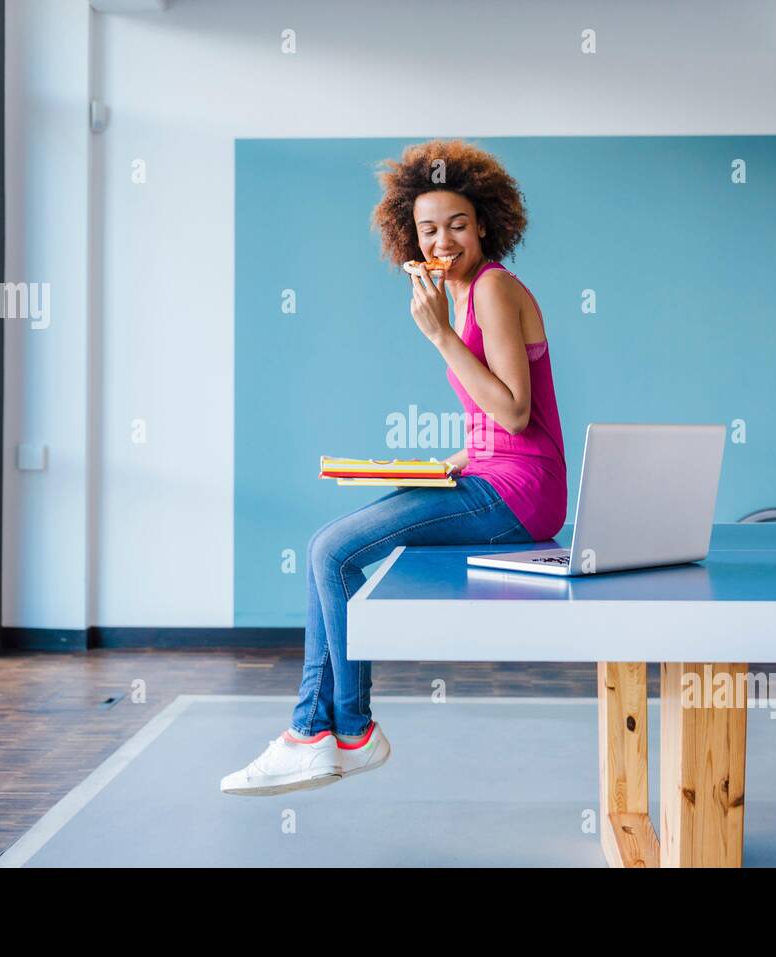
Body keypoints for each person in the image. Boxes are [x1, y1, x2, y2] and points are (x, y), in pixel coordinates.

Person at [221, 139, 568, 795]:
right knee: (332, 551)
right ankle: (313, 733)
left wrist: (438, 336)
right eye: (429, 228)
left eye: (457, 224)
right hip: (495, 476)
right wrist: (449, 463)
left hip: (520, 492)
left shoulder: (491, 289)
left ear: (484, 224)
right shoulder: (462, 294)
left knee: (330, 551)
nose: (443, 239)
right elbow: (491, 420)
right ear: (410, 238)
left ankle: (345, 730)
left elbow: (518, 413)